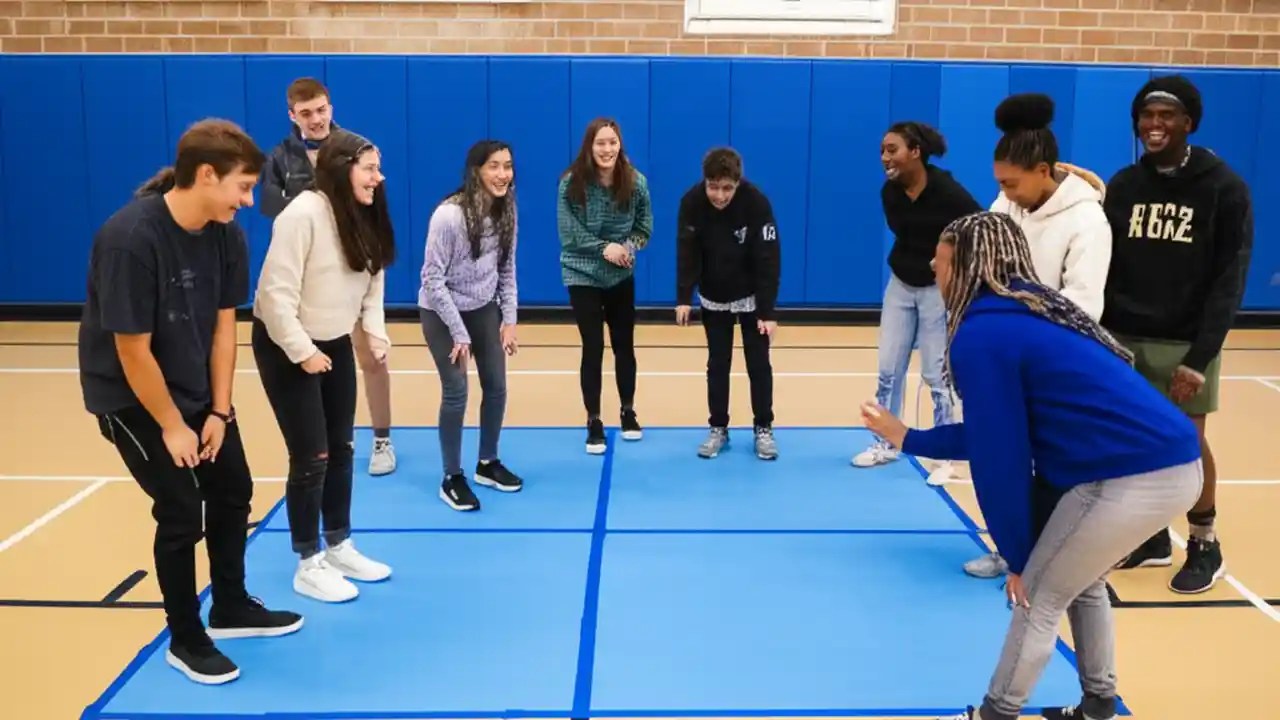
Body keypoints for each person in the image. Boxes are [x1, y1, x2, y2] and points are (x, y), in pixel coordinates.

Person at [861, 211, 1202, 720]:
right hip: (1169, 462)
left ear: (972, 265)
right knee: (1079, 579)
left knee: (1038, 595)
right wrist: (908, 436)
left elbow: (1002, 459)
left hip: (1128, 474)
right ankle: (1098, 704)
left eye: (943, 256)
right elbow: (997, 433)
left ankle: (995, 713)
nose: (933, 263)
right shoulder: (1034, 308)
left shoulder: (983, 335)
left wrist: (1018, 556)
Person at [78, 119, 303, 685]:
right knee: (181, 509)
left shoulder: (227, 235)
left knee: (233, 489)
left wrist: (219, 412)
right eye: (243, 187)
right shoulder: (130, 239)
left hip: (196, 391)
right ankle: (185, 636)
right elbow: (131, 351)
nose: (249, 201)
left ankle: (230, 605)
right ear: (206, 175)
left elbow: (224, 329)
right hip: (132, 398)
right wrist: (174, 426)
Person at [1102, 74, 1253, 594]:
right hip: (1125, 336)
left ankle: (1205, 541)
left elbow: (1229, 278)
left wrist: (1201, 355)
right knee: (1134, 441)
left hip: (1186, 343)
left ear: (1189, 122)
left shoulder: (1223, 187)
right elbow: (1108, 264)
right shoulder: (1125, 185)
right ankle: (1151, 538)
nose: (1155, 125)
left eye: (1167, 115)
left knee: (1187, 445)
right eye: (1147, 115)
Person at [963, 93, 1114, 580]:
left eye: (1012, 183)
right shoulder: (1006, 203)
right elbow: (985, 264)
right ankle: (1012, 550)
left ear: (1044, 171)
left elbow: (1084, 304)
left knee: (1054, 469)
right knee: (1005, 457)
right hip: (1008, 355)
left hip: (1058, 361)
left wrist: (1029, 336)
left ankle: (1055, 561)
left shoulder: (1088, 221)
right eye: (999, 184)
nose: (1005, 192)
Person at [252, 128, 396, 603]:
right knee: (311, 455)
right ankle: (307, 561)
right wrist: (302, 352)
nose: (379, 177)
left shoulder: (366, 214)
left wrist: (374, 335)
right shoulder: (303, 215)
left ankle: (338, 543)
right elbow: (274, 298)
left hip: (331, 343)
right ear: (341, 169)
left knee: (341, 447)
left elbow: (371, 286)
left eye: (377, 168)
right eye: (370, 168)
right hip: (285, 343)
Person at [260, 76, 397, 477]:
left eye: (321, 110)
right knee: (315, 363)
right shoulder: (282, 156)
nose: (316, 119)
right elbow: (270, 205)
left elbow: (372, 200)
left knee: (372, 354)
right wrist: (317, 204)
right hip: (313, 276)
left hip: (353, 267)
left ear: (331, 108)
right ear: (292, 115)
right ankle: (321, 443)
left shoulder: (355, 146)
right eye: (306, 113)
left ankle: (382, 439)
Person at [853, 121, 981, 483]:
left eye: (892, 149)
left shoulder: (949, 193)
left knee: (937, 374)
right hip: (900, 284)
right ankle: (885, 443)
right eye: (882, 151)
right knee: (889, 368)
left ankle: (945, 457)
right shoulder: (889, 193)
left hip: (937, 291)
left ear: (915, 152)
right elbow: (903, 233)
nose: (884, 157)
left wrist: (952, 269)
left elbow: (979, 229)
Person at [419, 140, 523, 512]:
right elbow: (432, 279)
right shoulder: (448, 217)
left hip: (483, 309)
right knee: (456, 390)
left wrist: (508, 319)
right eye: (494, 166)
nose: (502, 175)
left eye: (507, 166)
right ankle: (452, 476)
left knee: (496, 386)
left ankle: (487, 463)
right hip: (442, 313)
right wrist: (458, 333)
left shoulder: (507, 208)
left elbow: (506, 270)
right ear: (476, 171)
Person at [674, 147, 781, 460]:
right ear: (704, 181)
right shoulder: (691, 203)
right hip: (714, 296)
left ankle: (764, 427)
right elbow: (687, 252)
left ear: (737, 183)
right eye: (713, 187)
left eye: (726, 189)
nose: (719, 196)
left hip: (751, 296)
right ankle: (718, 427)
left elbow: (768, 259)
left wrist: (768, 311)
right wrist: (683, 297)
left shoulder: (757, 203)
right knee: (717, 364)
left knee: (758, 365)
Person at [558, 117, 653, 455]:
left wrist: (629, 246)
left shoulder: (636, 182)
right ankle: (594, 419)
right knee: (593, 345)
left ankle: (628, 411)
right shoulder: (570, 183)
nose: (607, 149)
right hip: (582, 273)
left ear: (620, 145)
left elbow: (645, 226)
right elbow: (569, 233)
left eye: (613, 142)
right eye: (601, 143)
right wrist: (604, 248)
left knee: (624, 344)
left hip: (620, 275)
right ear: (590, 146)